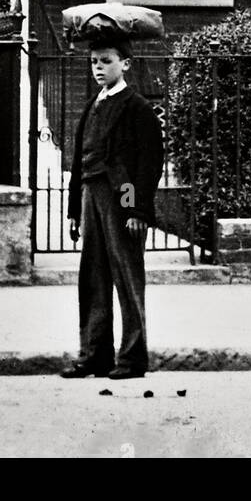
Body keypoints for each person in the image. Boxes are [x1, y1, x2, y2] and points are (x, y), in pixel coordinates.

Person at [61, 27, 164, 379]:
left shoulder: (137, 108)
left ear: (126, 64)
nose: (99, 68)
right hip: (92, 195)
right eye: (94, 62)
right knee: (93, 279)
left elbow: (148, 164)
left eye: (106, 61)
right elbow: (80, 162)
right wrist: (75, 210)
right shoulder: (94, 104)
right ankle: (94, 356)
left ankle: (132, 359)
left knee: (127, 277)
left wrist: (135, 210)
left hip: (121, 197)